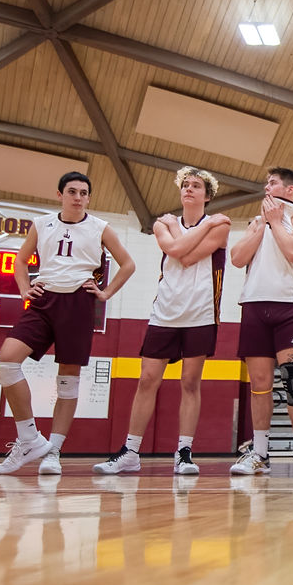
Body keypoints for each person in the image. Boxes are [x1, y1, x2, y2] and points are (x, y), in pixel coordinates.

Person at [0, 172, 137, 475]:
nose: (78, 197)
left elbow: (128, 264)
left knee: (67, 380)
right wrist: (24, 288)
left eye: (84, 193)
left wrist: (106, 293)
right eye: (72, 191)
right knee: (5, 363)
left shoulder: (100, 227)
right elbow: (20, 261)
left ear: (89, 198)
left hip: (78, 302)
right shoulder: (42, 224)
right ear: (60, 195)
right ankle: (29, 438)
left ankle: (53, 452)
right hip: (43, 300)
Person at [93, 167, 228, 475]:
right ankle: (130, 452)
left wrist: (192, 229)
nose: (189, 189)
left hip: (201, 313)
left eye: (196, 186)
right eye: (185, 185)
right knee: (147, 380)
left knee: (190, 383)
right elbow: (177, 251)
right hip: (164, 313)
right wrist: (191, 231)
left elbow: (186, 257)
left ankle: (184, 452)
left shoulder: (220, 225)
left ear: (207, 196)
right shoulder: (161, 223)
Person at [228, 167, 293, 476]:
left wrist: (275, 222)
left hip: (289, 307)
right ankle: (259, 453)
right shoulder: (257, 222)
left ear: (289, 190)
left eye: (271, 183)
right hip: (254, 306)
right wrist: (262, 225)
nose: (266, 187)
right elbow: (237, 258)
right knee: (259, 384)